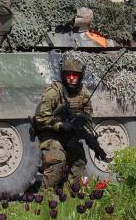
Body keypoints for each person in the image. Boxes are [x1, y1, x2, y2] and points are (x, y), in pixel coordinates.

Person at [34, 56, 93, 190]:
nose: (72, 78)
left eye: (75, 75)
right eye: (68, 74)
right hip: (51, 134)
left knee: (79, 161)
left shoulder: (83, 93)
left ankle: (72, 196)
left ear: (80, 76)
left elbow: (88, 117)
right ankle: (46, 197)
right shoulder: (54, 92)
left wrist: (84, 130)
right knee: (57, 160)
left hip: (70, 136)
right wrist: (59, 125)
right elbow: (40, 117)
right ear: (63, 75)